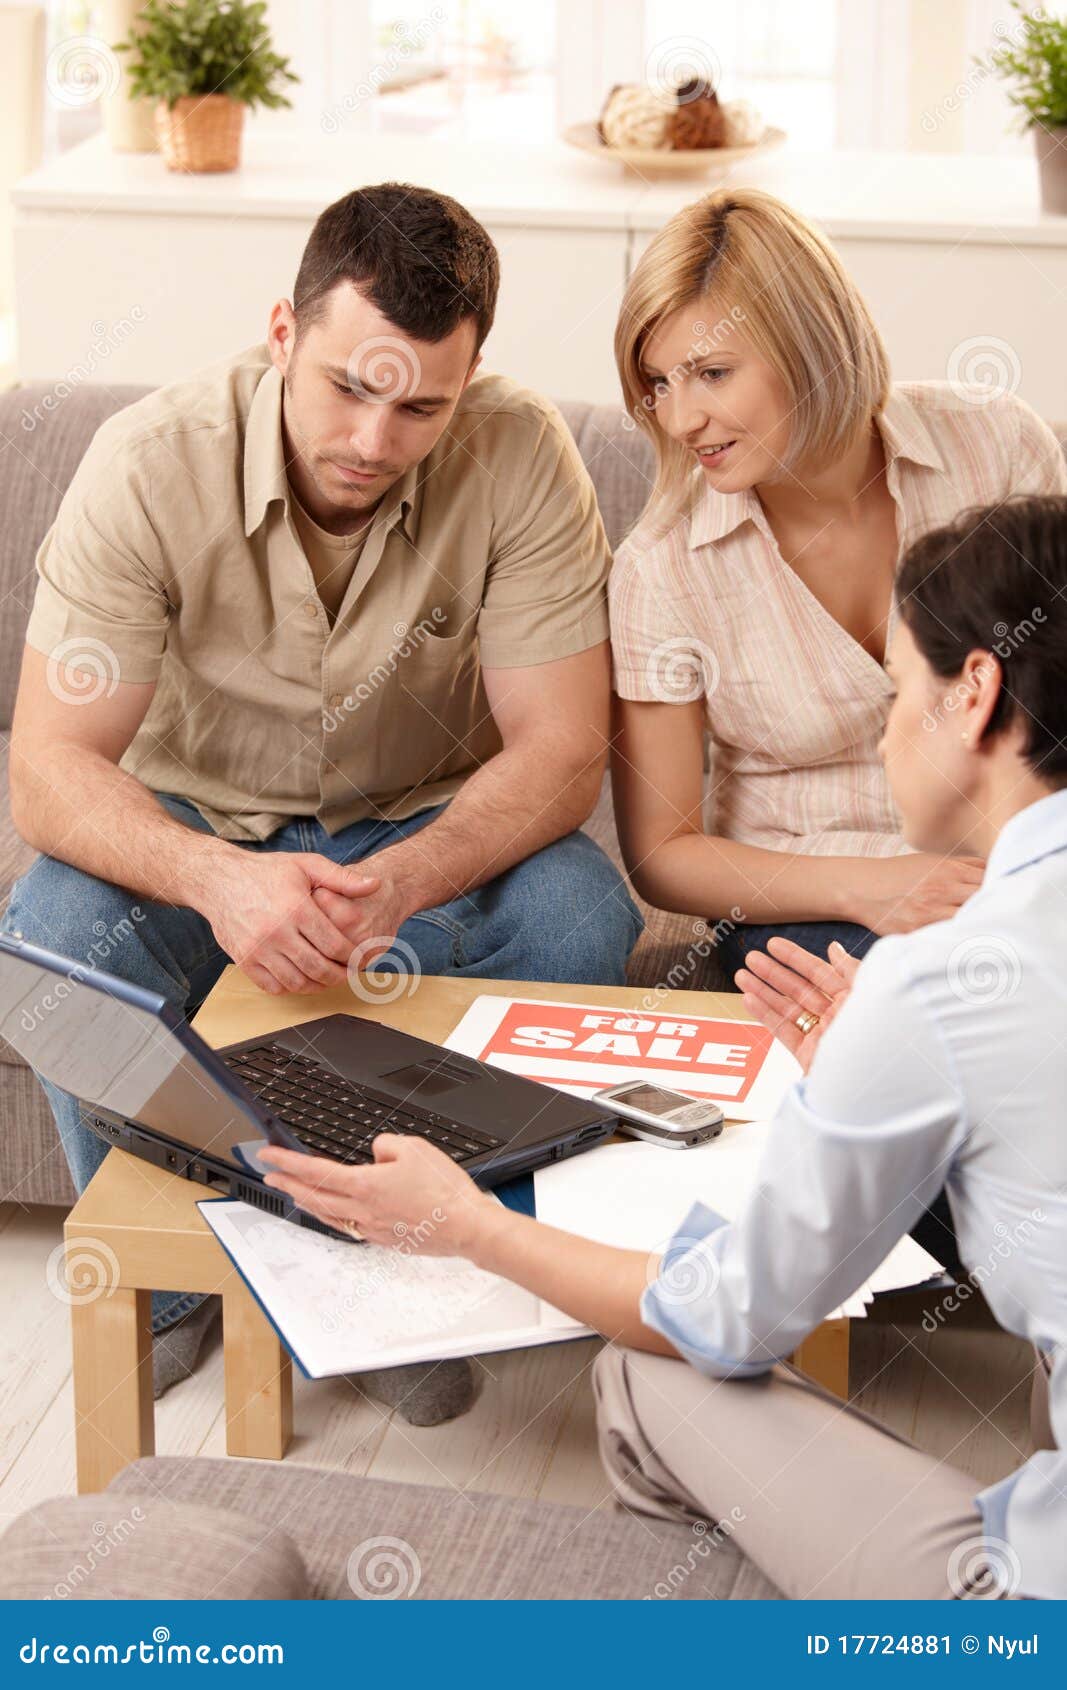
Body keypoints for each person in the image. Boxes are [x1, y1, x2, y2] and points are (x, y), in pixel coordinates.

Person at [258, 494, 1067, 1600]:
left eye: (894, 692)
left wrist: (466, 1225)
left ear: (972, 693)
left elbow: (727, 1324)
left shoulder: (934, 983)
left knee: (649, 1378)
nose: (884, 734)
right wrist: (881, 1081)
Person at [3, 181, 642, 1415]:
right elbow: (49, 769)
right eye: (349, 386)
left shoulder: (520, 456)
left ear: (468, 382)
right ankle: (191, 1285)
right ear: (282, 334)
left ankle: (422, 1282)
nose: (373, 437)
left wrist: (404, 877)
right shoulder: (146, 464)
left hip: (416, 845)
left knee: (577, 918)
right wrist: (218, 880)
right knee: (53, 940)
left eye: (419, 408)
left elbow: (561, 753)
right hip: (195, 838)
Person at [607, 187, 1067, 980]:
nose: (680, 419)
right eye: (658, 383)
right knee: (946, 997)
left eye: (711, 373)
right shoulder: (661, 566)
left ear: (810, 345)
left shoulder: (994, 444)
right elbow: (662, 853)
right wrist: (870, 888)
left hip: (1018, 871)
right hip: (811, 905)